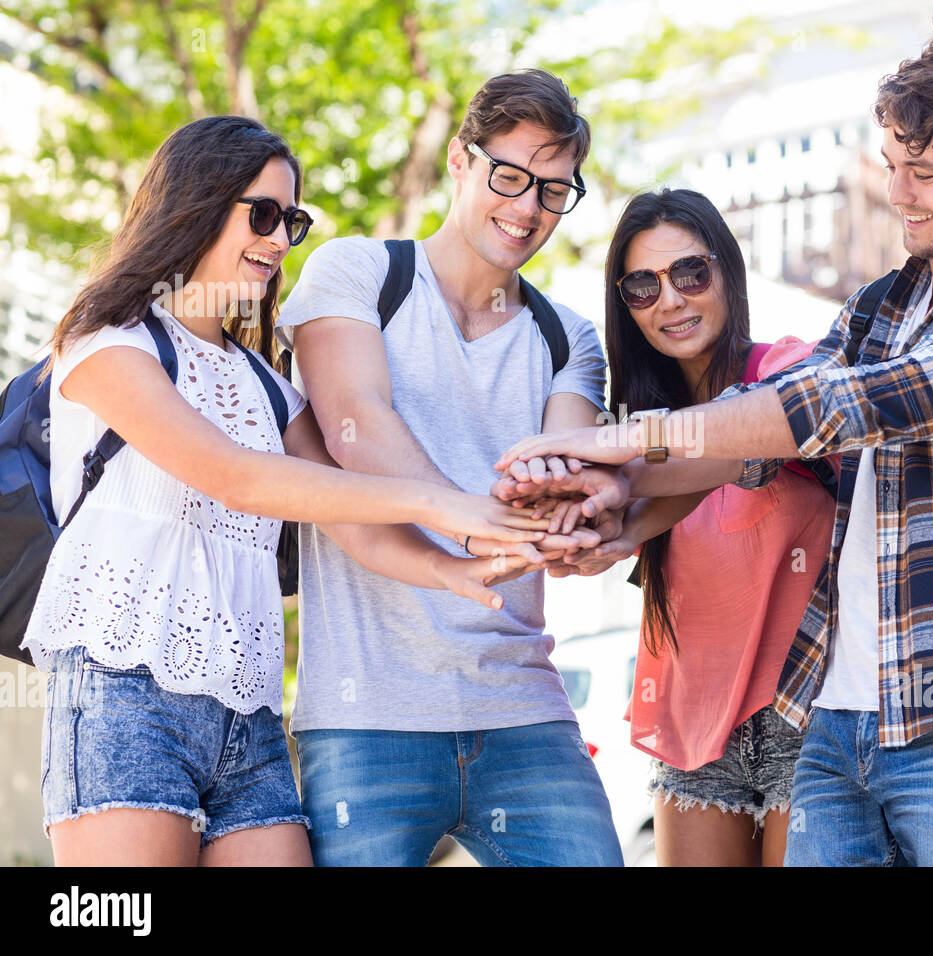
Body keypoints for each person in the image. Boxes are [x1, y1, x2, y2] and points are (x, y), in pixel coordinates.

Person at [496, 25, 933, 866]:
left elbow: (842, 405)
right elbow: (755, 446)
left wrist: (632, 437)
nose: (898, 192)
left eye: (925, 171)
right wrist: (613, 505)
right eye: (893, 163)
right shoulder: (876, 311)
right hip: (834, 720)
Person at [25, 115, 549, 867]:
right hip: (122, 693)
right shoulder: (109, 344)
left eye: (290, 221)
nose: (278, 239)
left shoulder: (269, 388)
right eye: (262, 214)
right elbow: (234, 475)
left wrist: (457, 571)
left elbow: (350, 519)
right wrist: (442, 503)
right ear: (196, 203)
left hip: (250, 717)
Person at [277, 69, 626, 866]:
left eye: (553, 189)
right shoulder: (356, 271)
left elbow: (562, 475)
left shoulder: (569, 337)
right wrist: (479, 527)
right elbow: (356, 427)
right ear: (462, 165)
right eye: (510, 176)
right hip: (367, 714)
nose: (528, 207)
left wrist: (572, 516)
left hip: (523, 707)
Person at [542, 188, 835, 866]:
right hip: (692, 726)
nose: (670, 300)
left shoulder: (787, 372)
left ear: (725, 273)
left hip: (810, 722)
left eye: (690, 273)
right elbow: (607, 516)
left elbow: (750, 439)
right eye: (642, 286)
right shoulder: (631, 430)